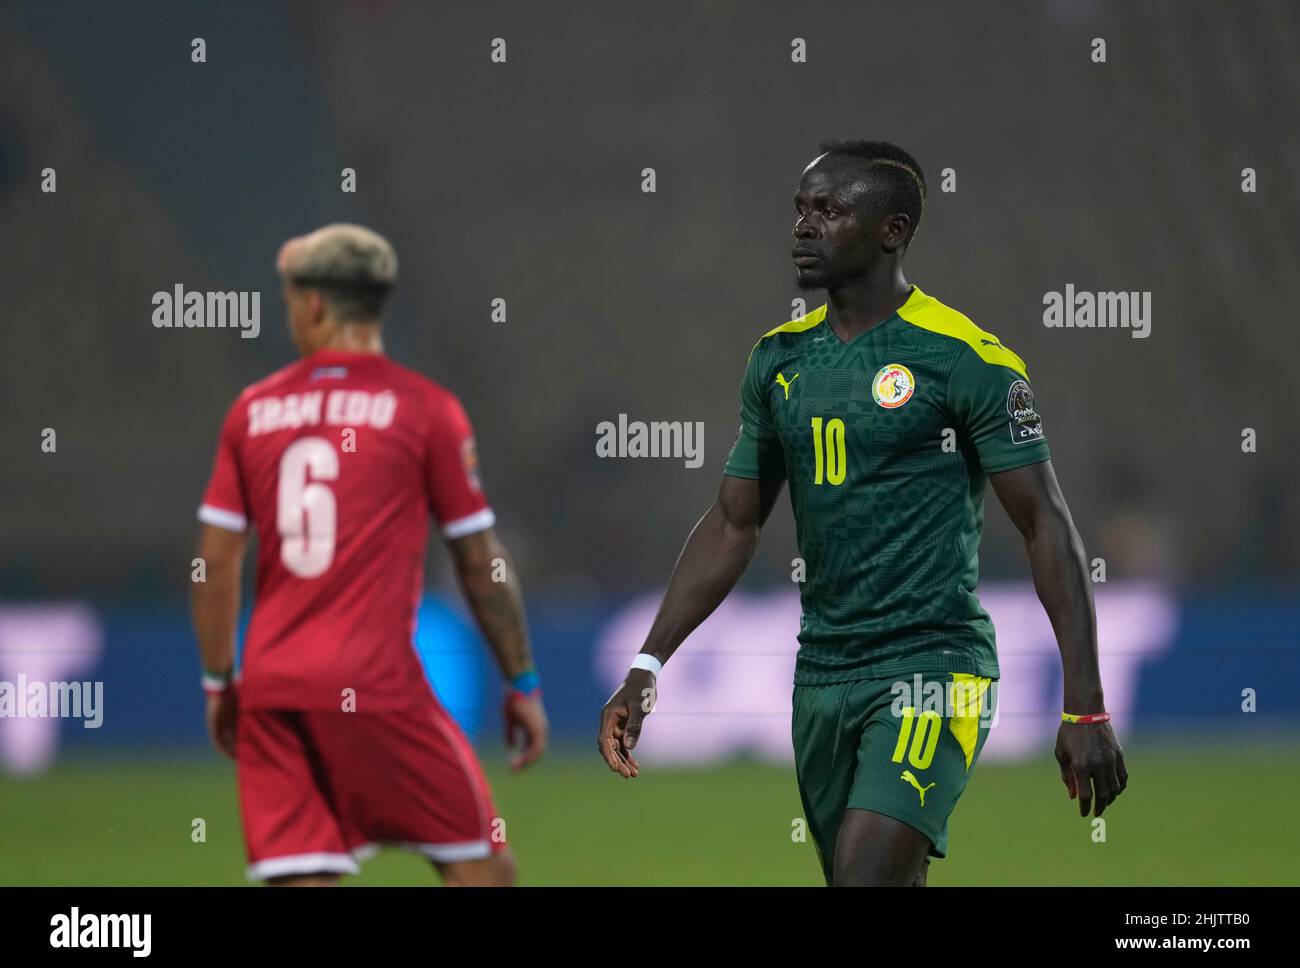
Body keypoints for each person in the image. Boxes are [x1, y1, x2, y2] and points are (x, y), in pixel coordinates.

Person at [597, 141, 1126, 885]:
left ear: (892, 230)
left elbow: (1046, 525)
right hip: (822, 676)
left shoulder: (965, 358)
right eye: (801, 208)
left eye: (830, 210)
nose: (803, 227)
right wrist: (646, 666)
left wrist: (1087, 708)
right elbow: (732, 524)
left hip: (932, 667)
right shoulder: (778, 362)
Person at [191, 224, 546, 886]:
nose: (289, 310)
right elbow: (479, 560)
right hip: (377, 684)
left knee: (305, 876)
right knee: (484, 870)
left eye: (290, 296)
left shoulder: (252, 410)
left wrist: (220, 681)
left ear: (316, 305)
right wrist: (520, 680)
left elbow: (214, 564)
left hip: (273, 689)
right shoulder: (424, 409)